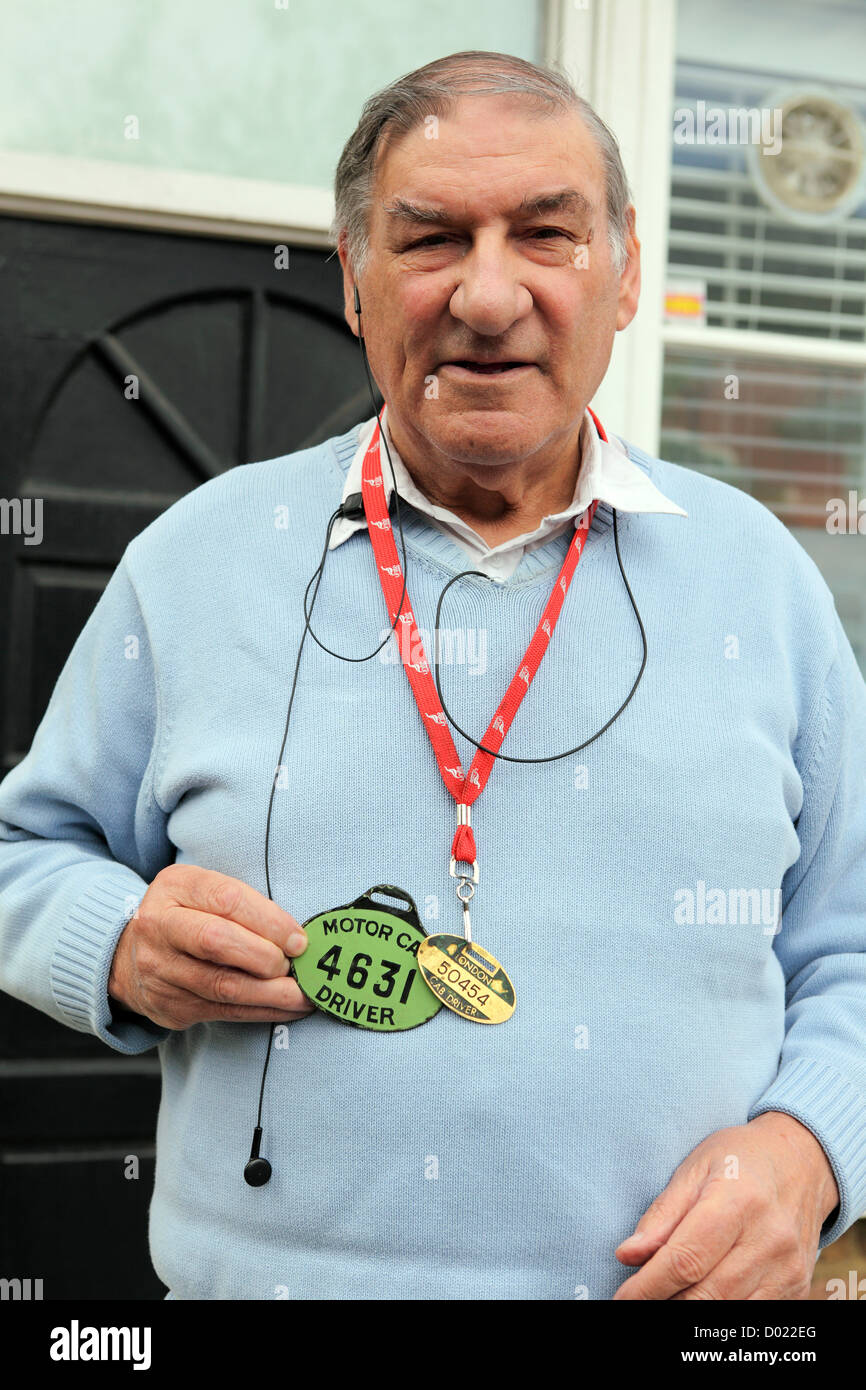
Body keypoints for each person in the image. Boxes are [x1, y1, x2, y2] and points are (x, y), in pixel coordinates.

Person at [1, 50, 864, 1301]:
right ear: (352, 279)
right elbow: (24, 855)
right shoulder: (192, 563)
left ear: (621, 270)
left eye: (545, 235)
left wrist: (808, 1149)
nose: (488, 294)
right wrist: (118, 938)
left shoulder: (759, 586)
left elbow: (851, 944)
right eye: (431, 239)